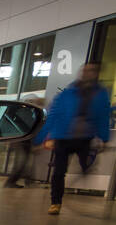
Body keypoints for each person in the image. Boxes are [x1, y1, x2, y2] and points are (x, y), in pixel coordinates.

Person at [36, 62, 111, 214]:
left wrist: (104, 138)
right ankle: (55, 203)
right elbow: (53, 114)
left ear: (96, 74)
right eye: (85, 70)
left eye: (91, 71)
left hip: (85, 138)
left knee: (85, 163)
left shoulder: (100, 94)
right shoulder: (67, 93)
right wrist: (40, 137)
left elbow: (103, 116)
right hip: (63, 138)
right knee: (59, 172)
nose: (87, 73)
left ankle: (86, 167)